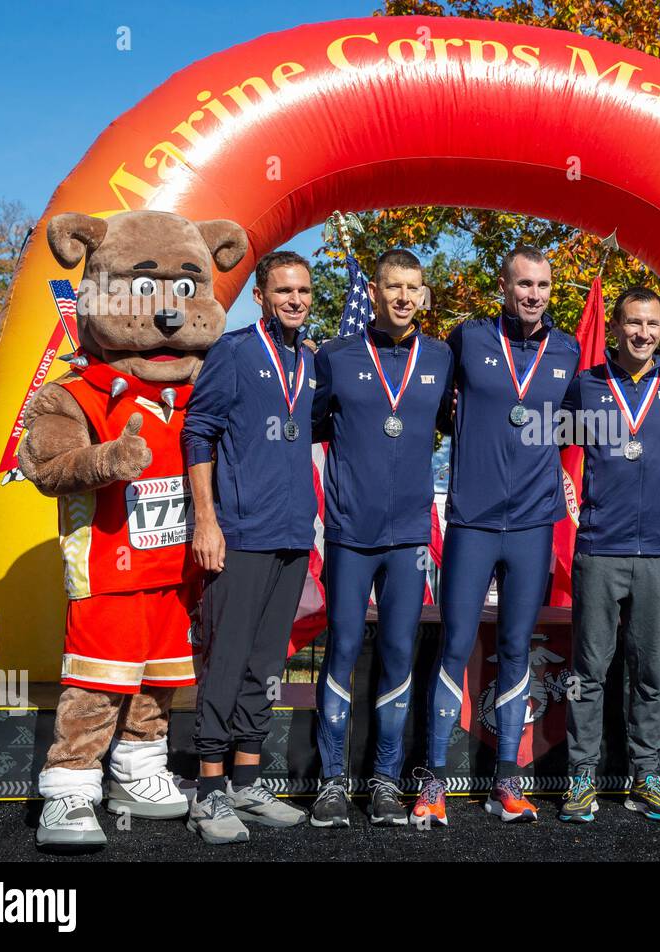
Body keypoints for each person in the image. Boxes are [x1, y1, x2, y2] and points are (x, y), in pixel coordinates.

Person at [413, 245, 581, 825]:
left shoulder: (567, 348)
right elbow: (429, 409)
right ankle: (432, 782)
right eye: (523, 284)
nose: (533, 294)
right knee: (454, 647)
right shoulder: (467, 339)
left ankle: (506, 782)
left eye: (542, 285)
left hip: (534, 526)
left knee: (516, 652)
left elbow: (581, 421)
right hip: (471, 523)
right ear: (504, 288)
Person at [308, 250, 454, 828]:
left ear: (422, 294)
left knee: (398, 656)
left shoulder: (441, 357)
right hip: (350, 534)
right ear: (373, 290)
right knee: (342, 652)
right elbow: (313, 426)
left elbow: (454, 420)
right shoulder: (335, 356)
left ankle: (387, 782)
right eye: (392, 286)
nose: (402, 297)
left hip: (411, 537)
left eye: (412, 288)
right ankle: (330, 782)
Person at [181, 251, 318, 843]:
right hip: (239, 535)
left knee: (265, 666)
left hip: (292, 535)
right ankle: (208, 793)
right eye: (283, 290)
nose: (295, 300)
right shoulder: (235, 352)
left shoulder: (310, 361)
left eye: (304, 291)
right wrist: (206, 522)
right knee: (226, 661)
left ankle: (246, 781)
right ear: (260, 296)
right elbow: (198, 431)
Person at [558, 286, 660, 823]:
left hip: (657, 552)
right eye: (634, 323)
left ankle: (647, 776)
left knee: (649, 672)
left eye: (653, 324)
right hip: (599, 549)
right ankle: (582, 776)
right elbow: (548, 446)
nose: (643, 333)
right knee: (589, 671)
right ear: (615, 327)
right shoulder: (586, 386)